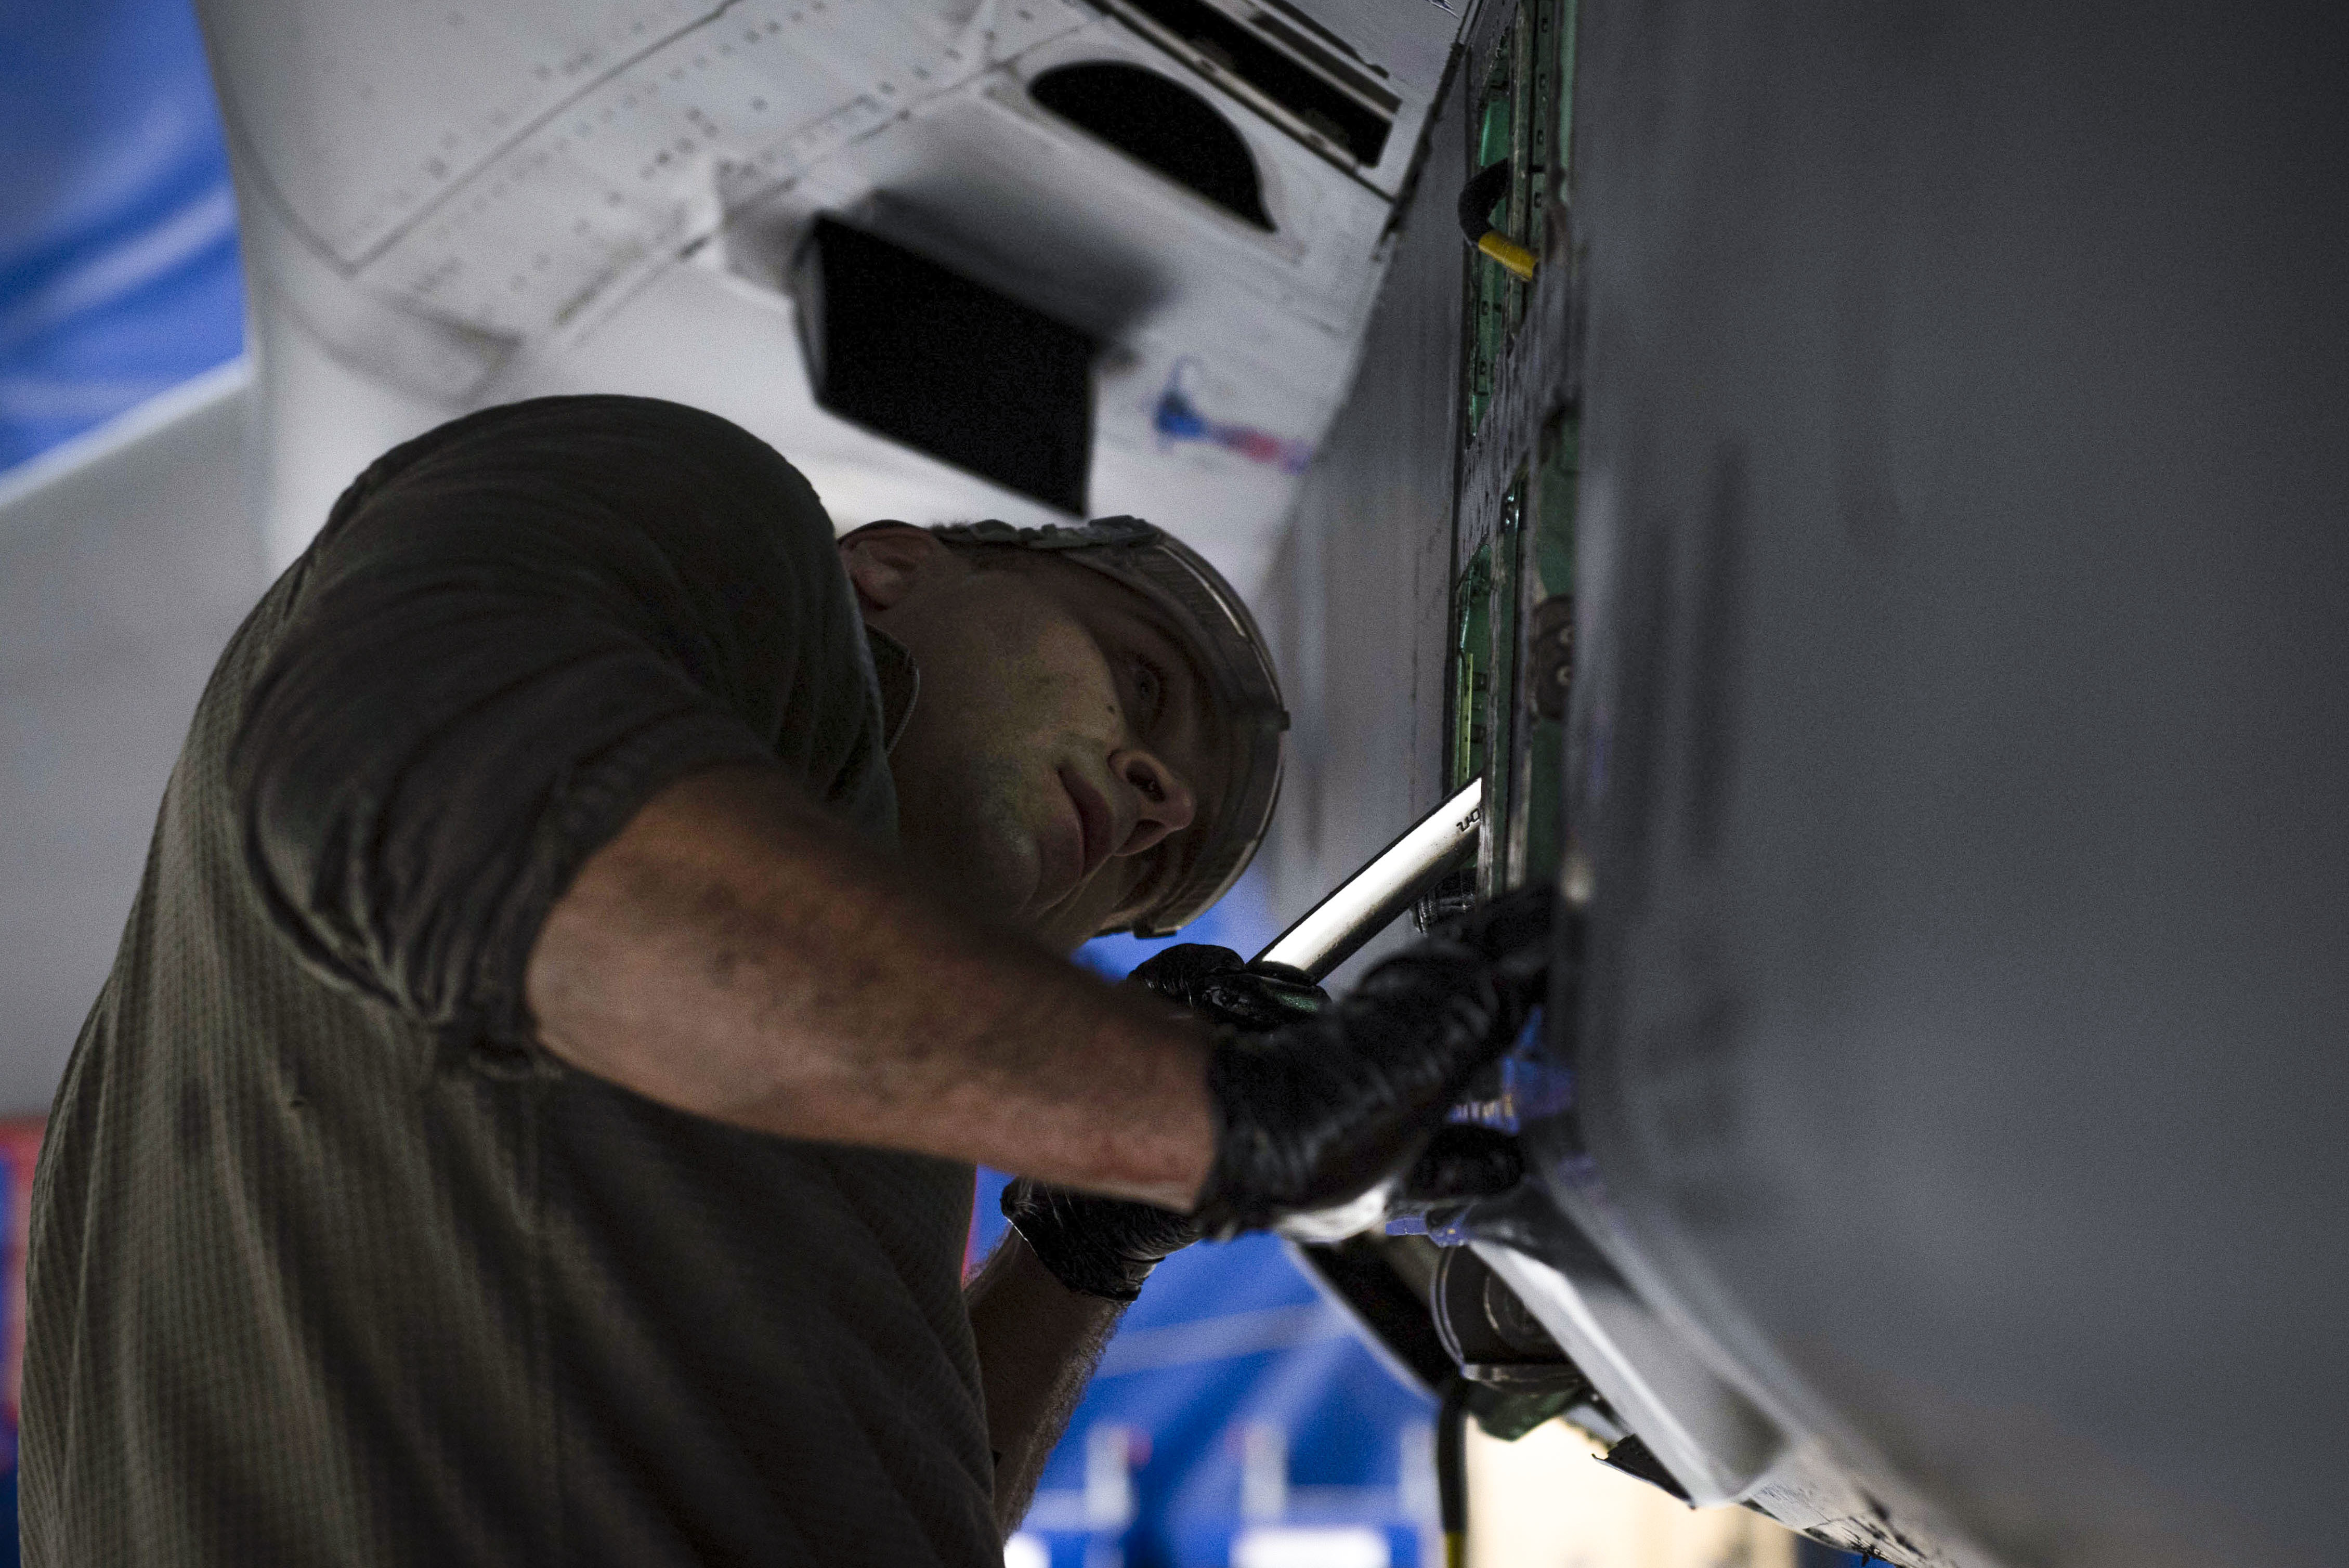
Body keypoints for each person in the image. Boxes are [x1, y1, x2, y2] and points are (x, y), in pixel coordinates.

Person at [21, 395, 1547, 1566]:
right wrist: (1205, 1110)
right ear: (890, 571)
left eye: (1156, 875)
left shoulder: (823, 1102)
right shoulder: (717, 523)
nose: (1152, 802)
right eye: (1134, 684)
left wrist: (1083, 1249)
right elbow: (408, 790)